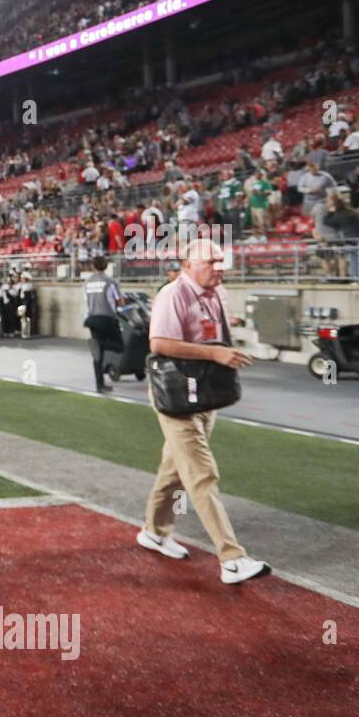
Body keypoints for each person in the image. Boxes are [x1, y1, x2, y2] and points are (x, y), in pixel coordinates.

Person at [136, 238, 270, 585]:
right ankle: (232, 558)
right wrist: (215, 354)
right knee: (201, 472)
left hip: (205, 393)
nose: (219, 267)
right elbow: (159, 344)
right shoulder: (172, 294)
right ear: (188, 265)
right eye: (211, 261)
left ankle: (153, 530)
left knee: (174, 470)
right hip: (177, 394)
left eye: (220, 261)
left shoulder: (218, 294)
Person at [83, 256, 129, 393]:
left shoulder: (87, 283)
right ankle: (100, 344)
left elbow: (87, 301)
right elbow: (120, 301)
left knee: (97, 356)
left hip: (92, 319)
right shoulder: (110, 282)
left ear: (93, 266)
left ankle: (100, 385)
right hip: (107, 318)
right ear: (106, 266)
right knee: (120, 346)